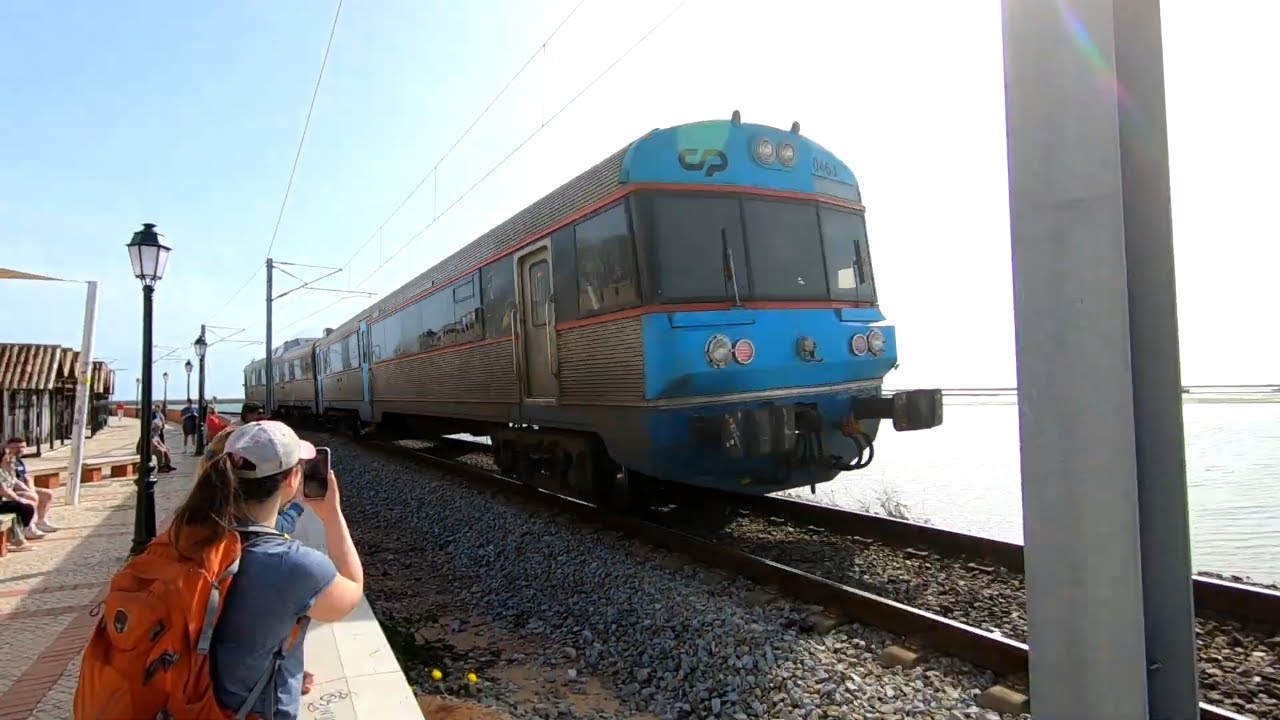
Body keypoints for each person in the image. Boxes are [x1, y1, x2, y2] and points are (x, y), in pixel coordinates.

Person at [170, 421, 363, 718]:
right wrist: (332, 514)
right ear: (291, 480)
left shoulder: (185, 536)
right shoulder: (291, 565)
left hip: (187, 700)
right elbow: (350, 590)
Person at [4, 437, 59, 534]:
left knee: (47, 494)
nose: (20, 450)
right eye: (16, 447)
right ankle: (29, 527)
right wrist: (29, 491)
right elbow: (13, 481)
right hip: (12, 490)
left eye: (22, 447)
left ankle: (41, 522)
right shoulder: (6, 461)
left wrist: (32, 489)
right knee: (31, 496)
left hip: (22, 488)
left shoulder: (19, 461)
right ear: (8, 447)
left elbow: (27, 477)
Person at [0, 452, 39, 551]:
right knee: (21, 508)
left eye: (12, 462)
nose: (11, 465)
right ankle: (17, 540)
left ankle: (20, 537)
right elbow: (4, 491)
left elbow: (16, 484)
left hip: (3, 501)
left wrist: (29, 492)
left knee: (25, 508)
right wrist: (20, 500)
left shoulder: (8, 471)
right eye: (8, 462)